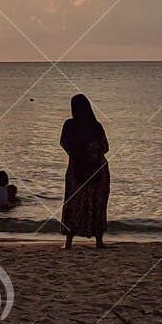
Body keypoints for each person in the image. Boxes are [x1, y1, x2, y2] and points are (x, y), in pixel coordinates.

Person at [61, 93, 110, 249]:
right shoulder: (96, 126)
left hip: (76, 168)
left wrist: (78, 152)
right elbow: (105, 147)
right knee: (97, 204)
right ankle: (99, 241)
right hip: (98, 168)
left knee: (74, 204)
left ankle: (69, 242)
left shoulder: (69, 125)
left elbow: (64, 144)